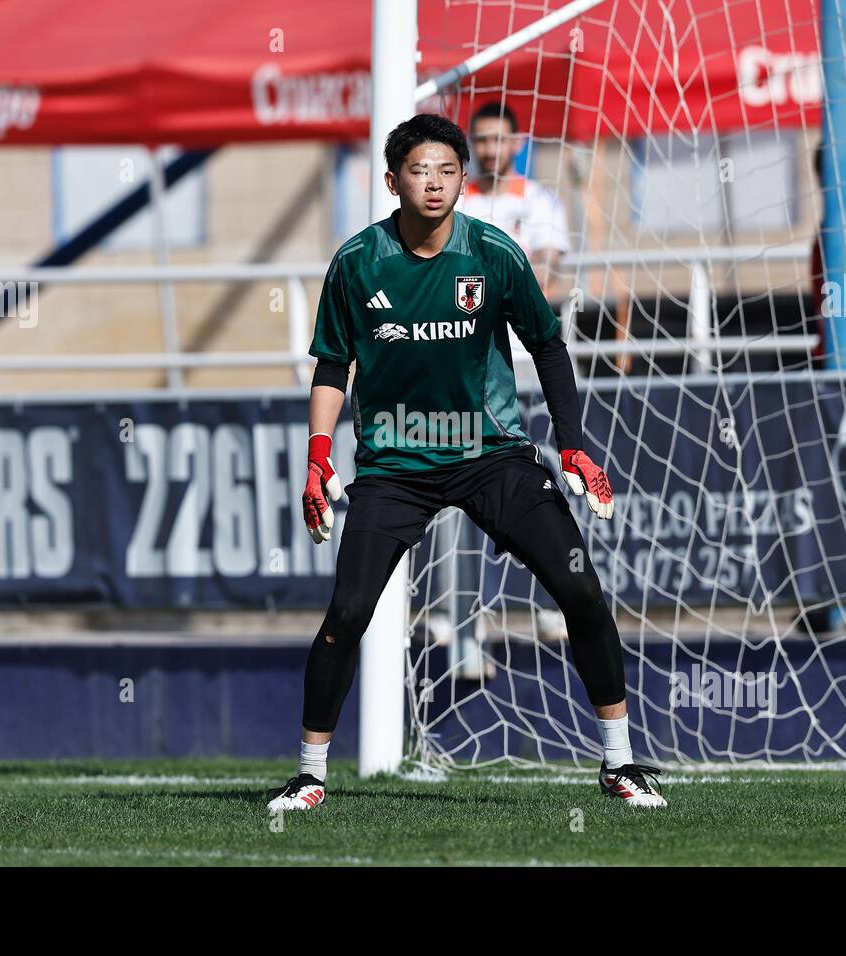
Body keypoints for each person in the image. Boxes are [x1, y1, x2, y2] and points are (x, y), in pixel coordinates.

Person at [266, 114, 665, 812]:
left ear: (462, 179)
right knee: (347, 613)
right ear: (393, 181)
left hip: (493, 456)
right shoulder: (358, 262)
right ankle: (309, 774)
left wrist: (571, 442)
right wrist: (317, 457)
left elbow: (547, 344)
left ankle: (620, 762)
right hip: (393, 465)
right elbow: (333, 365)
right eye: (420, 171)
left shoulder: (493, 253)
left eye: (447, 171)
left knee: (581, 591)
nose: (435, 182)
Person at [456, 102, 569, 300]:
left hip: (520, 323)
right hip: (467, 320)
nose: (490, 150)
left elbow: (546, 269)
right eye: (482, 141)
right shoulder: (457, 200)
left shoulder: (541, 199)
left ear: (517, 143)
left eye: (498, 140)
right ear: (471, 144)